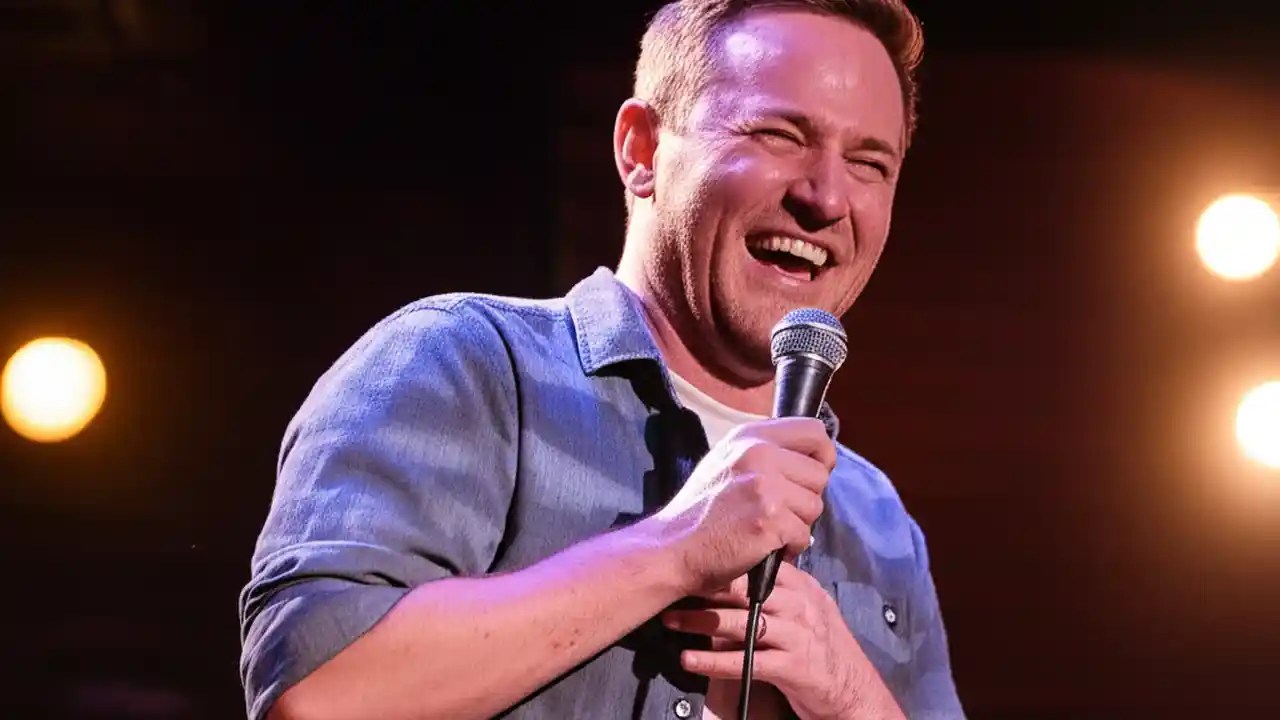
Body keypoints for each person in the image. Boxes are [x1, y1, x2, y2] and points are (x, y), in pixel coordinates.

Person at [238, 1, 965, 718]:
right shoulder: (468, 368)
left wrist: (850, 697)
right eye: (778, 134)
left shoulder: (876, 522)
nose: (827, 196)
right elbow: (321, 694)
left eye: (871, 163)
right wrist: (674, 549)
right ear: (641, 151)